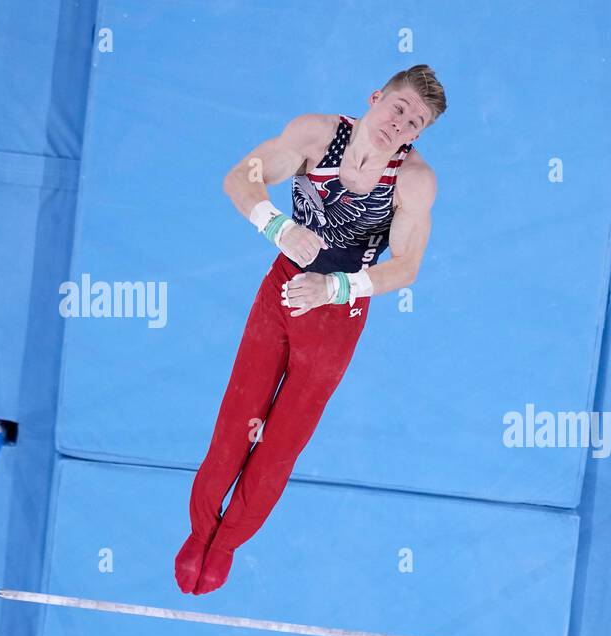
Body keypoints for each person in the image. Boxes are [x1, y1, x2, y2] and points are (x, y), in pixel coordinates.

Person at [175, 65, 444, 594]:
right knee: (236, 422)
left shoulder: (414, 181)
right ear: (375, 97)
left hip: (337, 317)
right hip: (281, 292)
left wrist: (335, 288)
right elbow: (240, 177)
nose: (401, 124)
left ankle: (226, 544)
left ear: (418, 135)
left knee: (278, 446)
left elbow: (407, 266)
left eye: (415, 123)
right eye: (399, 108)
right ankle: (201, 532)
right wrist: (276, 225)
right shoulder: (315, 134)